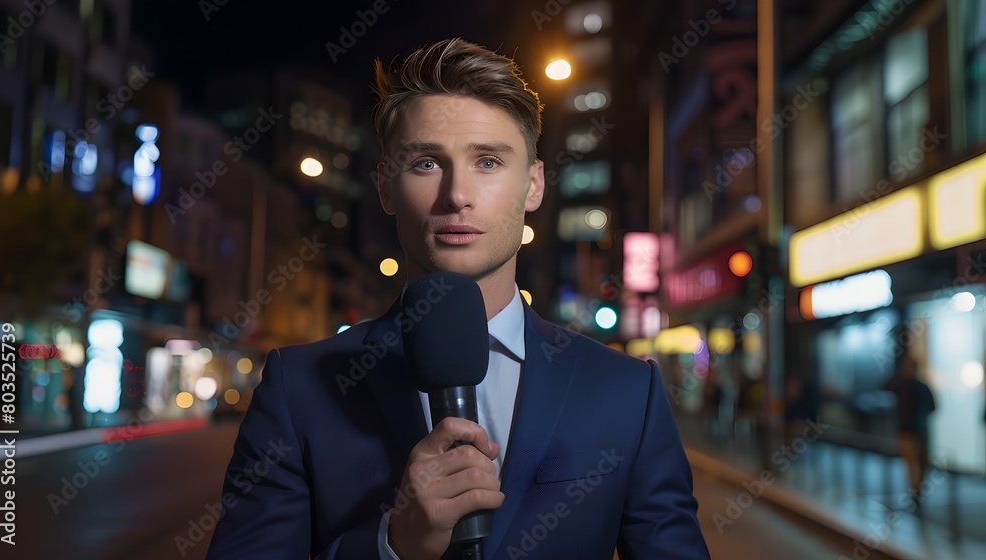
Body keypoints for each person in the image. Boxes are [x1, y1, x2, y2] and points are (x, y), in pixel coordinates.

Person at [206, 38, 709, 560]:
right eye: (426, 163)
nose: (456, 195)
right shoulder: (300, 388)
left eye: (488, 162)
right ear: (384, 187)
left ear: (533, 185)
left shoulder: (629, 391)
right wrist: (392, 544)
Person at [884, 353, 936, 500]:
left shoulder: (912, 386)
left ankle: (917, 490)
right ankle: (916, 490)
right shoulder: (905, 386)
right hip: (911, 431)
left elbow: (932, 406)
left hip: (914, 430)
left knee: (917, 462)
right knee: (913, 463)